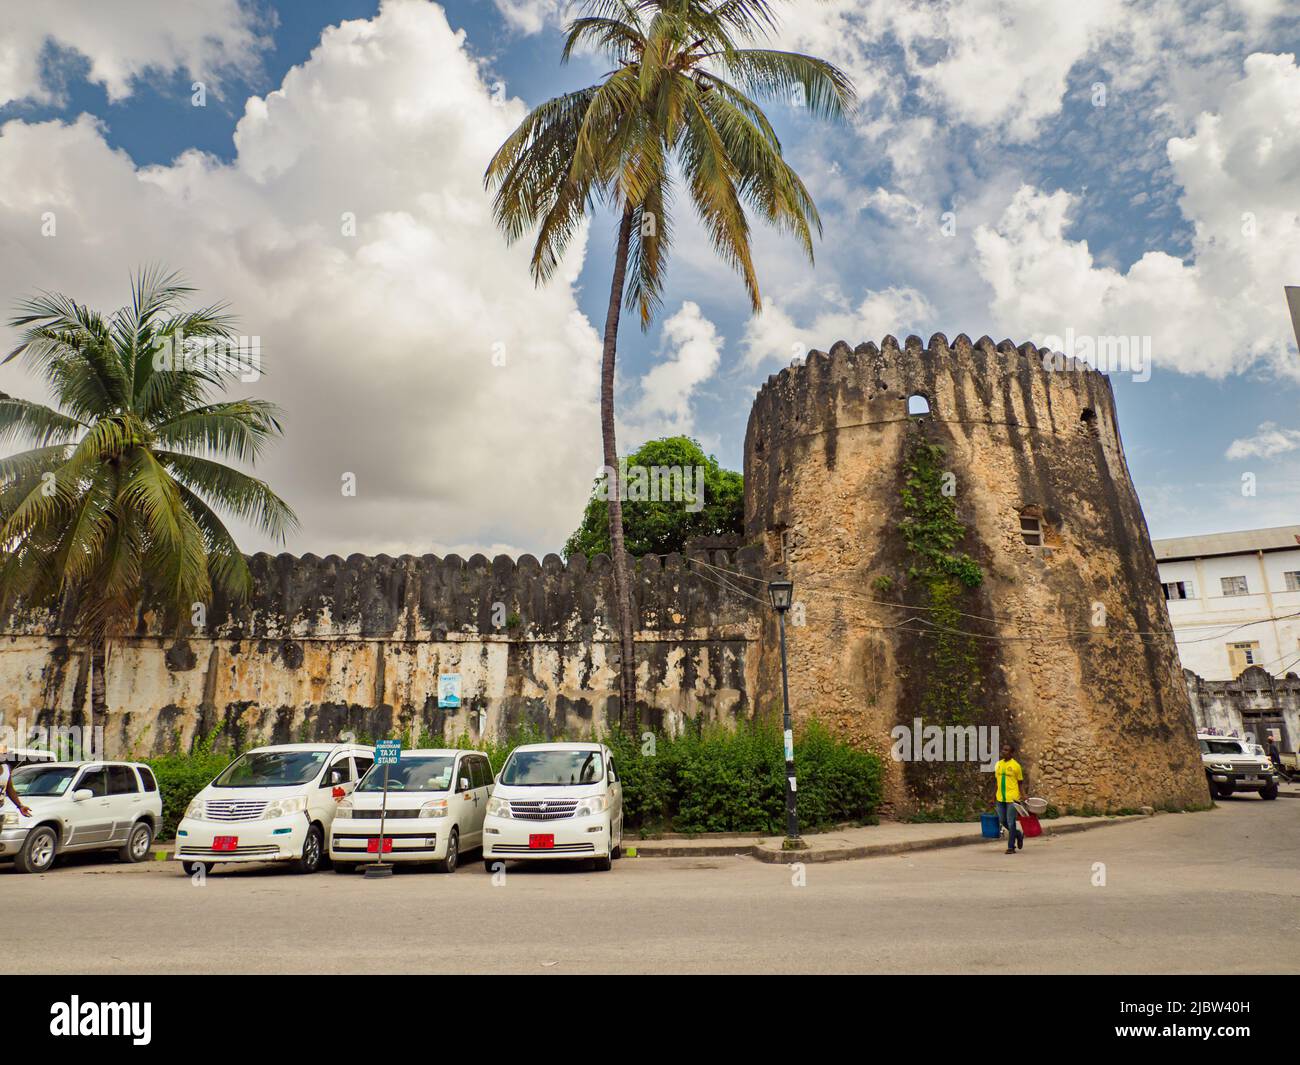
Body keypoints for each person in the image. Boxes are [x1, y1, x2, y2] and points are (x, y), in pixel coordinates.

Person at [994, 742, 1025, 854]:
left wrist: (1023, 795)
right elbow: (996, 782)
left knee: (1011, 822)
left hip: (1012, 798)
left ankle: (1011, 847)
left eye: (1007, 750)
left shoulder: (1016, 766)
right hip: (1000, 797)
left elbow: (1020, 782)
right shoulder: (998, 764)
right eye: (1003, 749)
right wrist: (993, 797)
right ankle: (1018, 834)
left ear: (1012, 753)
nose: (1003, 752)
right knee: (1003, 820)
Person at [0, 745, 34, 819]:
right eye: (2, 753)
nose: (4, 756)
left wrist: (20, 806)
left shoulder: (6, 768)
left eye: (5, 754)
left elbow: (9, 789)